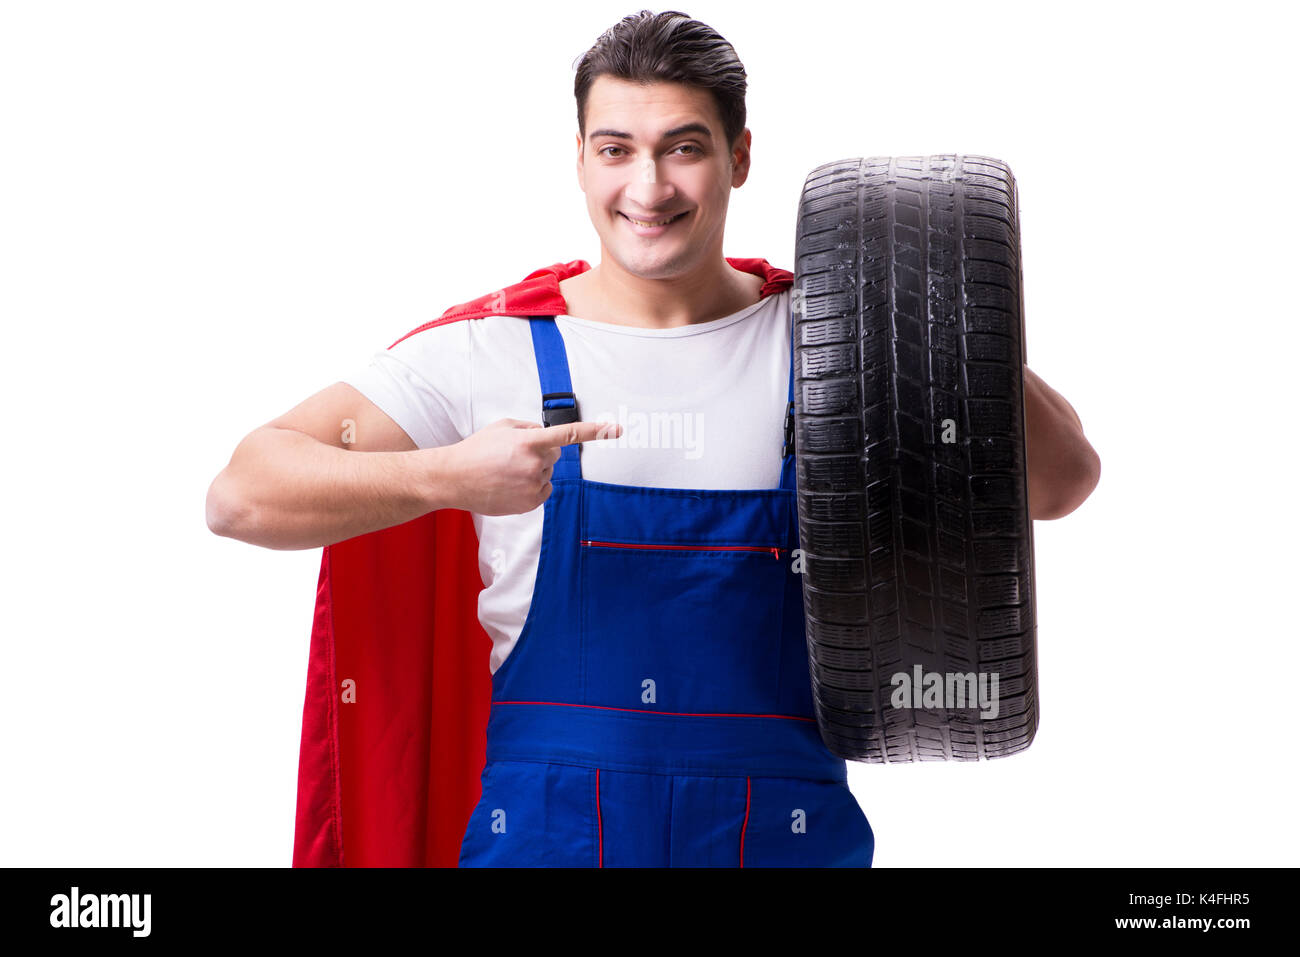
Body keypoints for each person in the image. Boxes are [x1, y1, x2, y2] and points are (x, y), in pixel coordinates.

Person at [206, 10, 1100, 867]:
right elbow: (243, 493)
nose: (648, 187)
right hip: (545, 841)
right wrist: (446, 475)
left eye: (684, 147)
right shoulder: (491, 351)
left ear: (739, 157)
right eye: (616, 150)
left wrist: (928, 313)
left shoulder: (832, 339)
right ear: (582, 160)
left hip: (785, 841)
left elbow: (1063, 483)